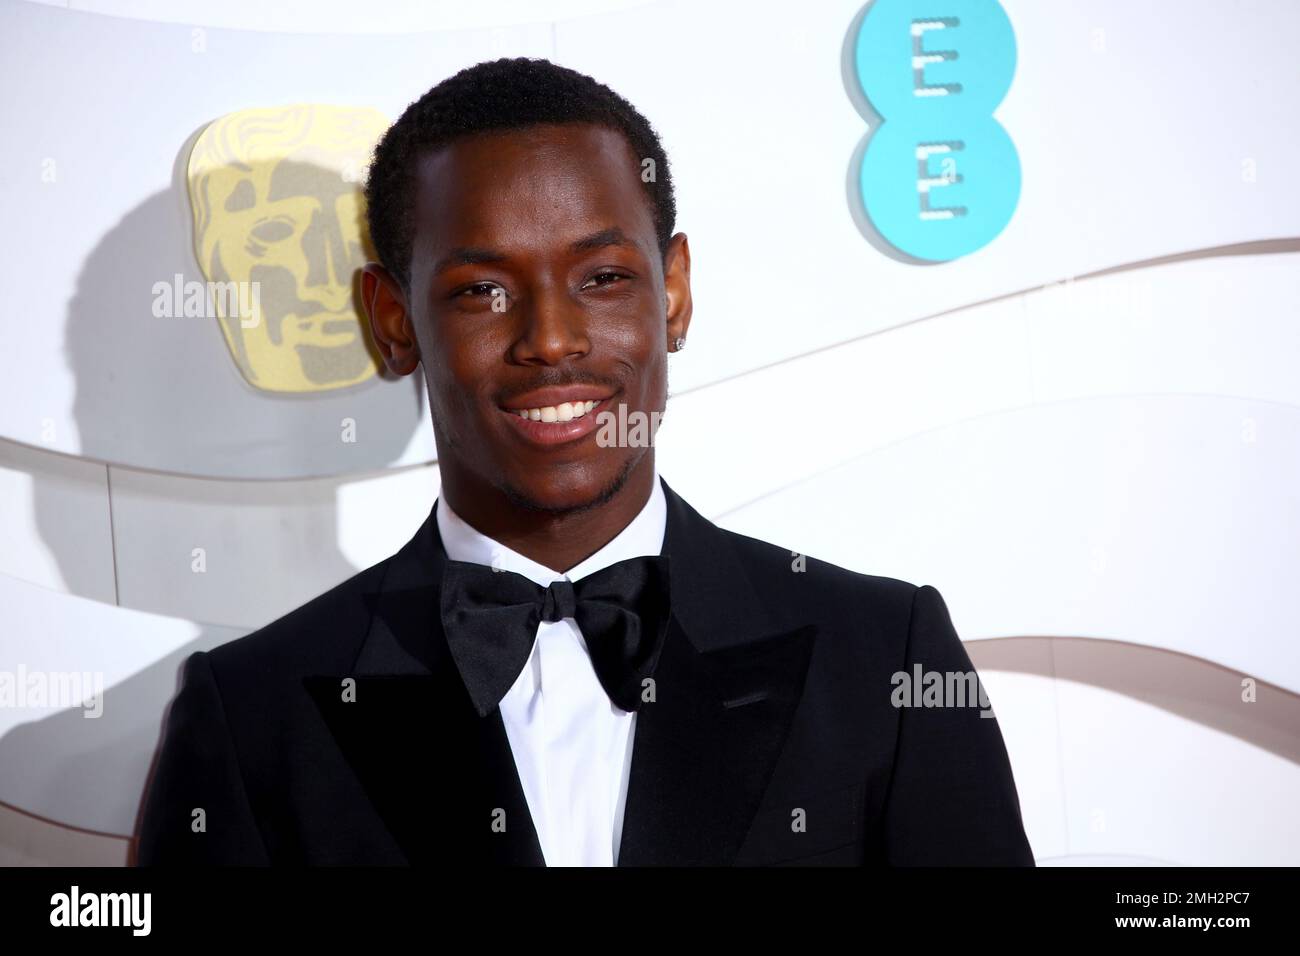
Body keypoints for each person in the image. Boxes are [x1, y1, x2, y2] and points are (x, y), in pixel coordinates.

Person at [136, 57, 1033, 866]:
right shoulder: (254, 713)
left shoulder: (883, 659)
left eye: (602, 277)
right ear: (394, 320)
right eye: (480, 290)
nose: (552, 341)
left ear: (673, 293)